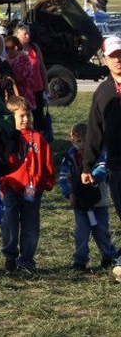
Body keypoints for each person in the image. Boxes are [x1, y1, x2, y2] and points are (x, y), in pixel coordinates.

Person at [0, 96, 54, 274]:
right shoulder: (7, 138)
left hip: (33, 189)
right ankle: (10, 256)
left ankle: (27, 260)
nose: (26, 119)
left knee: (30, 225)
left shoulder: (38, 138)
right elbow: (0, 164)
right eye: (21, 116)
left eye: (28, 115)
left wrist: (45, 182)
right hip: (11, 187)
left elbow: (46, 162)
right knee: (10, 222)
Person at [81, 35, 121, 283]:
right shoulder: (103, 92)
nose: (118, 61)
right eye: (113, 57)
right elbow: (95, 131)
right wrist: (88, 164)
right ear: (105, 60)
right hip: (117, 164)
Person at [59, 122, 116, 273]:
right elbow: (64, 178)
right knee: (81, 233)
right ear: (72, 140)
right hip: (80, 203)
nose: (82, 145)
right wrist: (68, 193)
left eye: (85, 141)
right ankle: (80, 260)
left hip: (99, 202)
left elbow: (102, 168)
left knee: (101, 231)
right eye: (78, 141)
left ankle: (108, 256)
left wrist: (94, 176)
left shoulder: (98, 155)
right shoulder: (69, 158)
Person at [14, 24, 50, 138]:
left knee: (38, 114)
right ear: (17, 35)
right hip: (23, 90)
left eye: (28, 33)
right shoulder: (14, 49)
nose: (27, 36)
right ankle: (24, 138)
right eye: (25, 33)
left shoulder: (34, 47)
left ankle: (40, 138)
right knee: (23, 114)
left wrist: (46, 85)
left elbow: (42, 67)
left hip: (37, 88)